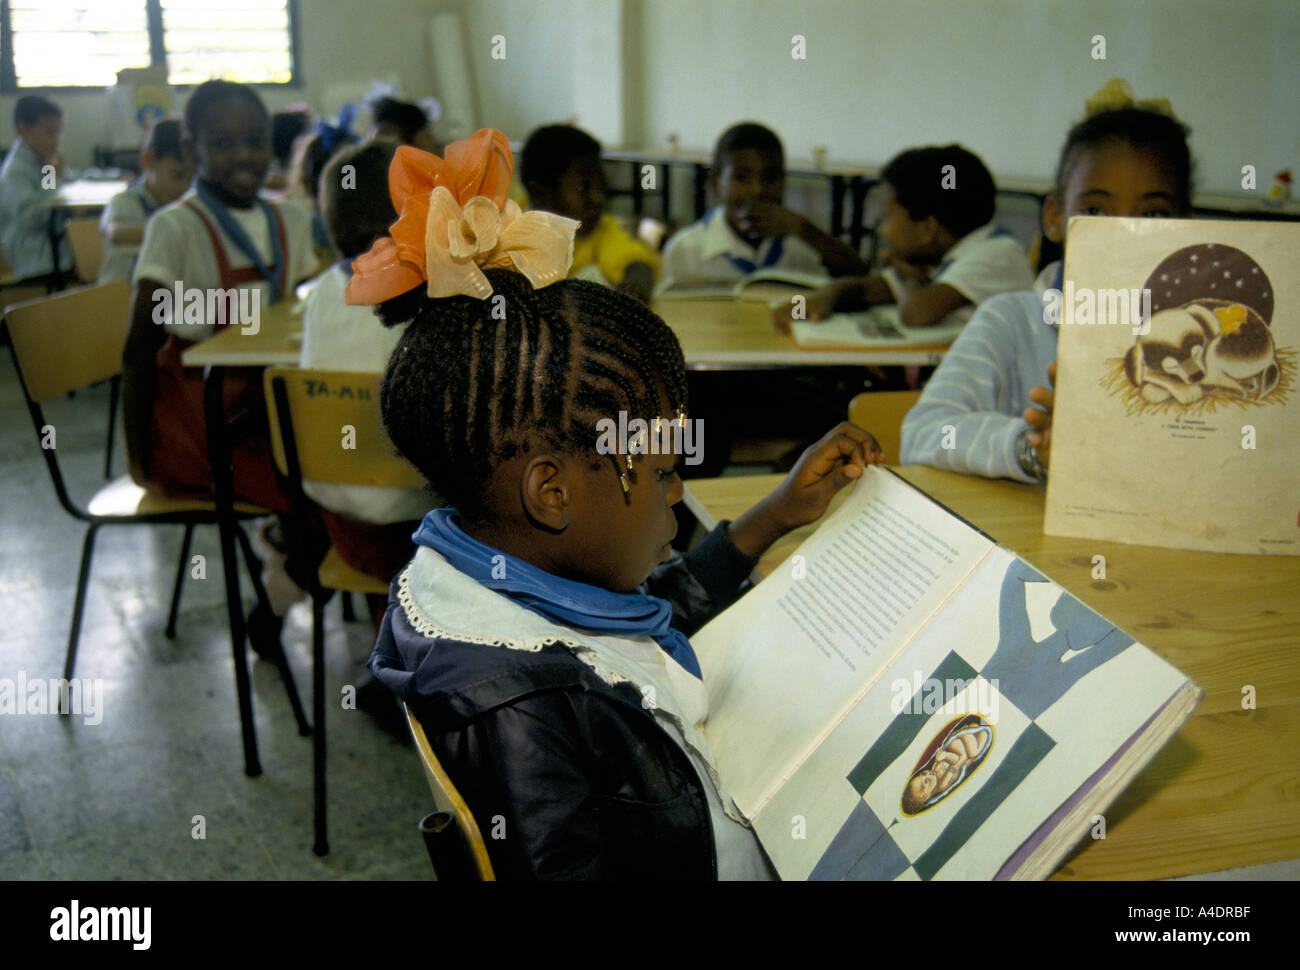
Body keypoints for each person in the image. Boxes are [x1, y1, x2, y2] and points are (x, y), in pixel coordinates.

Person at [351, 129, 884, 879]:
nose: (678, 491)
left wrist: (772, 517)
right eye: (662, 470)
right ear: (553, 493)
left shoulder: (492, 577)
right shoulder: (518, 713)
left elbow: (627, 628)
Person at [900, 80, 1194, 481]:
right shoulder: (1010, 321)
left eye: (1154, 215)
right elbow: (923, 433)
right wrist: (1031, 448)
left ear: (1187, 229)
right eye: (1095, 209)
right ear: (1054, 218)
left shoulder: (1199, 339)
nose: (1122, 233)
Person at [298, 139, 432, 593]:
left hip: (343, 524)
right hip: (426, 534)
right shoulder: (429, 300)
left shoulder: (319, 293)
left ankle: (290, 573)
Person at [775, 144, 1032, 332]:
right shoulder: (941, 256)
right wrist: (825, 296)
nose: (882, 230)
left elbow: (914, 313)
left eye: (888, 216)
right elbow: (865, 289)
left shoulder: (998, 254)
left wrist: (907, 276)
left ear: (927, 229)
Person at [660, 121, 867, 285]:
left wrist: (805, 229)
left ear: (783, 182)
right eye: (741, 177)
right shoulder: (685, 250)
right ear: (715, 183)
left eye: (770, 178)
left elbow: (860, 276)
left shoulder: (800, 244)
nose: (757, 190)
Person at [520, 123, 659, 303]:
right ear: (539, 194)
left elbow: (637, 263)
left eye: (601, 185)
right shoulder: (505, 236)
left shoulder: (600, 231)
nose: (597, 198)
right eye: (583, 186)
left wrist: (635, 286)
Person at [98, 118, 193, 283]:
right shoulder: (125, 202)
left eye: (192, 180)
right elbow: (116, 233)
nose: (185, 188)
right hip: (117, 299)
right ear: (148, 160)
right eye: (177, 175)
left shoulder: (185, 204)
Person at [0, 95, 72, 281]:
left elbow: (72, 178)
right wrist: (52, 177)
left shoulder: (42, 161)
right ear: (23, 130)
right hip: (35, 260)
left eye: (59, 133)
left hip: (53, 252)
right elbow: (35, 218)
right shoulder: (15, 172)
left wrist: (111, 175)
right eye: (50, 132)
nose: (56, 141)